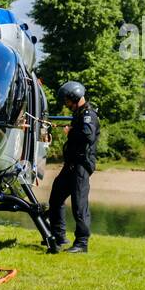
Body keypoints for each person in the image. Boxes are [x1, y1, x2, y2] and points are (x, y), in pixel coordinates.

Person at [47, 80, 99, 254]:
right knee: (55, 198)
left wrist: (71, 131)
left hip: (81, 165)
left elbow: (88, 136)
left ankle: (82, 243)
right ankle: (58, 236)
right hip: (71, 164)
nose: (65, 103)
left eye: (67, 100)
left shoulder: (88, 114)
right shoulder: (79, 113)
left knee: (79, 204)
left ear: (74, 97)